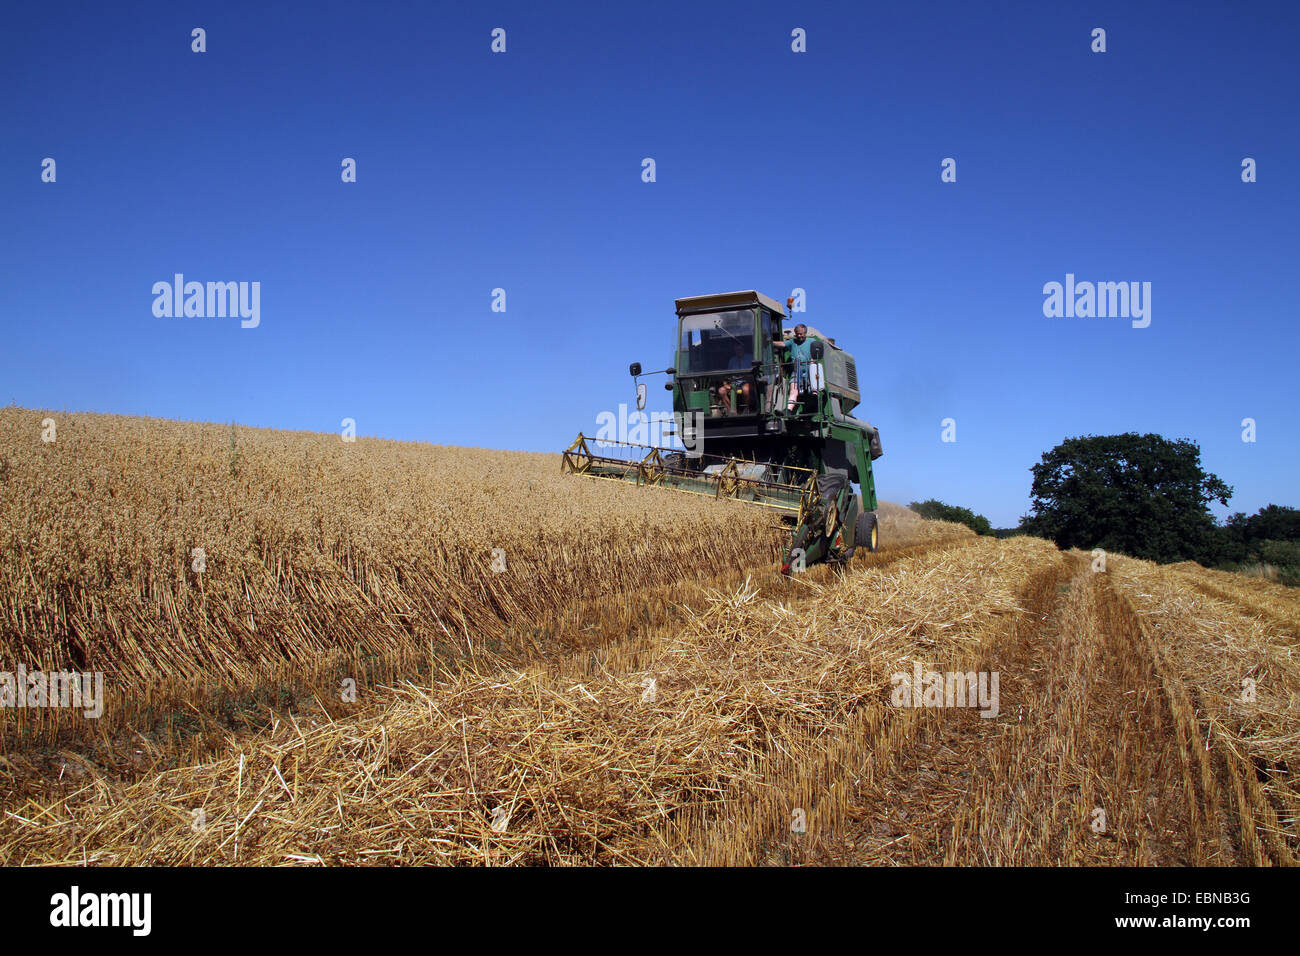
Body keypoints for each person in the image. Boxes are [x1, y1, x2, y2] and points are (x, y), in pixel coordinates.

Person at [717, 341, 754, 412]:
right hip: (735, 383)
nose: (738, 351)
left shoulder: (750, 357)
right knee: (721, 391)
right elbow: (728, 375)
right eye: (736, 350)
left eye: (740, 349)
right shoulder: (732, 360)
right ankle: (732, 411)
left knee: (746, 389)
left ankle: (747, 410)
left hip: (749, 382)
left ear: (743, 348)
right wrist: (726, 384)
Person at [784, 323, 813, 412]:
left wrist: (812, 361)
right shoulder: (792, 342)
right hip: (796, 370)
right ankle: (788, 410)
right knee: (793, 391)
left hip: (809, 369)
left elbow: (817, 352)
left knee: (814, 389)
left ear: (805, 333)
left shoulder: (811, 341)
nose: (799, 335)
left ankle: (814, 402)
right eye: (797, 334)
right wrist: (770, 342)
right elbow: (782, 344)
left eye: (801, 334)